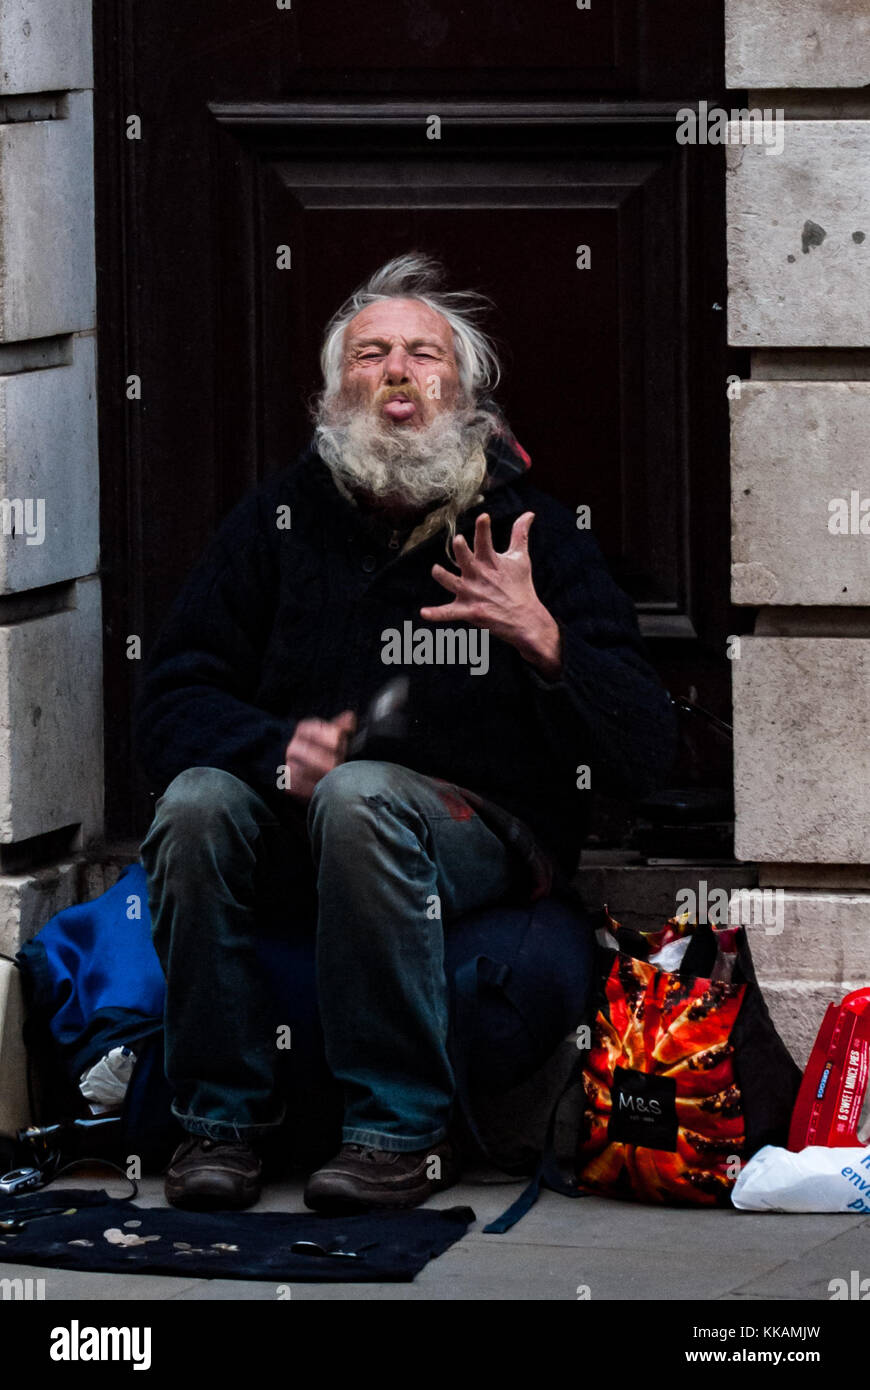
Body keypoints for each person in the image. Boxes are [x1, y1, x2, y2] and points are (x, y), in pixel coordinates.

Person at [135, 252, 677, 1213]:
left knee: (364, 795)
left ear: (463, 393)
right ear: (334, 391)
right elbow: (172, 697)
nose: (395, 371)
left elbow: (645, 748)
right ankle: (218, 1124)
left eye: (423, 355)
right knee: (193, 806)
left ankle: (395, 1132)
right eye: (370, 353)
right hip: (303, 818)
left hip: (480, 830)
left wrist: (547, 642)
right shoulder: (275, 523)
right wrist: (277, 748)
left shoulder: (531, 533)